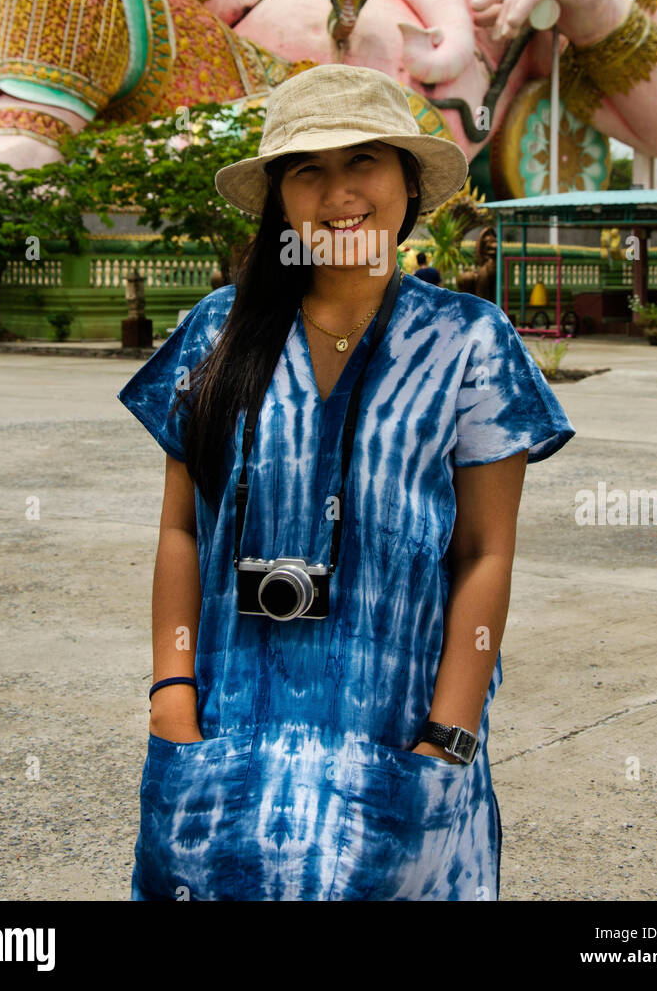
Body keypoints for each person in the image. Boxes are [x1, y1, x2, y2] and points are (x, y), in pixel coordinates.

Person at [116, 63, 575, 901]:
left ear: (407, 180)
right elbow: (182, 527)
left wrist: (451, 735)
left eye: (362, 160)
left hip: (396, 731)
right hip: (224, 728)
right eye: (308, 169)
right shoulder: (215, 332)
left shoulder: (469, 341)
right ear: (279, 198)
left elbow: (482, 552)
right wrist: (170, 692)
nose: (338, 194)